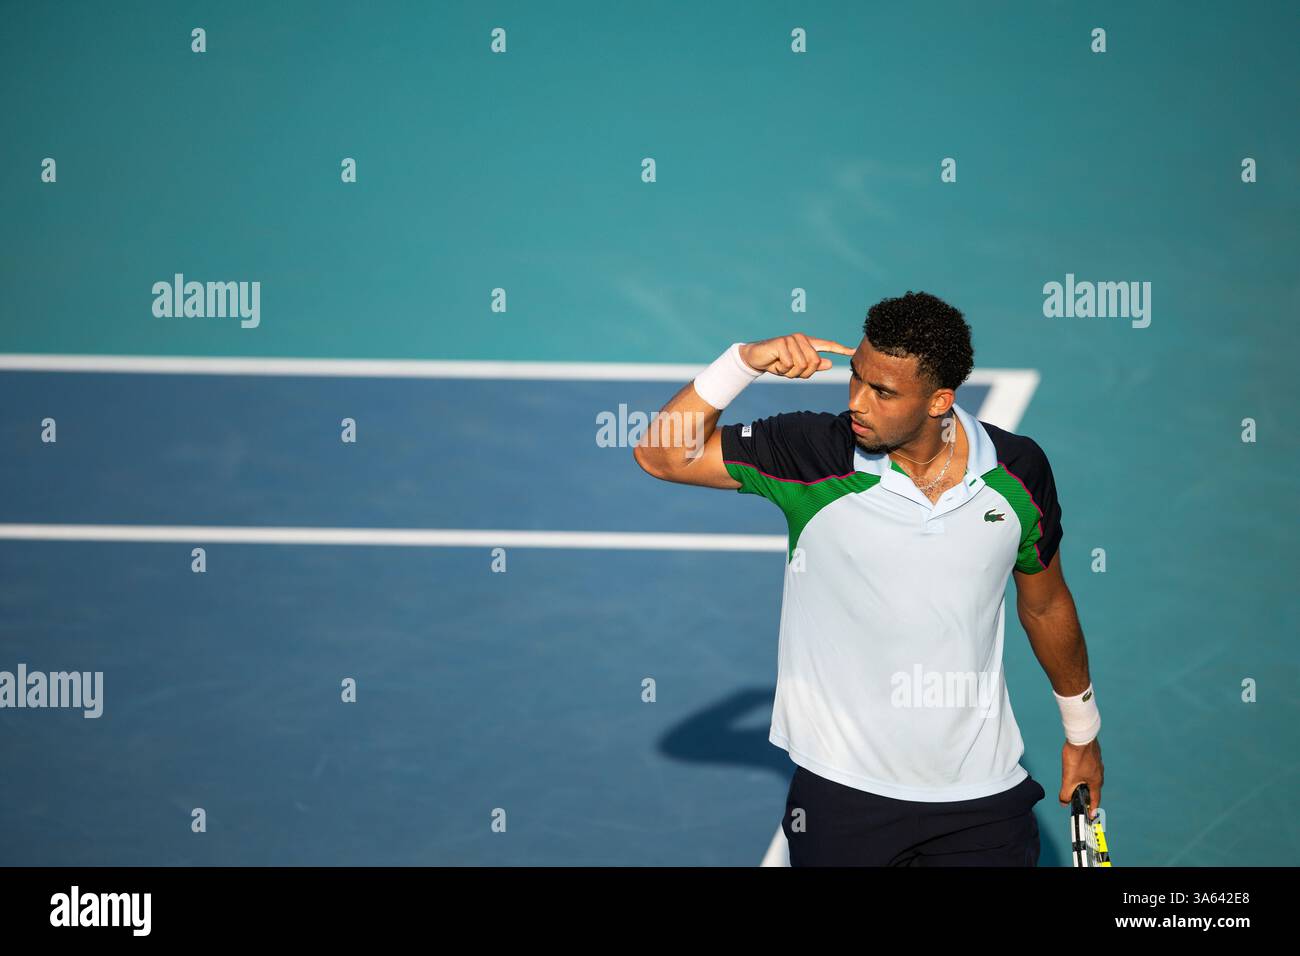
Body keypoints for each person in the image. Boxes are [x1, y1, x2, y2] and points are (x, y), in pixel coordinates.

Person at [632, 291, 1103, 866]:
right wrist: (744, 362)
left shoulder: (1019, 471)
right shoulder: (812, 453)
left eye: (882, 392)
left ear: (939, 401)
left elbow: (1045, 604)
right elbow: (662, 457)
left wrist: (1081, 732)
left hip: (983, 801)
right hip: (842, 801)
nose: (857, 401)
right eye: (856, 378)